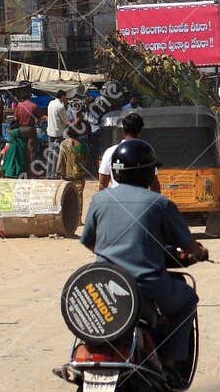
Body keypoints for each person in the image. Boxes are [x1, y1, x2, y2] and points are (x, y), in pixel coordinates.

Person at [79, 139, 207, 375]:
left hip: (103, 286)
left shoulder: (99, 199)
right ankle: (171, 363)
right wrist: (199, 252)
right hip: (149, 287)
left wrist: (111, 253)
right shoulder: (160, 203)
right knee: (188, 300)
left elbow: (87, 240)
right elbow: (189, 245)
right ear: (147, 173)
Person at [97, 111, 145, 189]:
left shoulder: (110, 152)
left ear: (123, 130)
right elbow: (155, 186)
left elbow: (102, 185)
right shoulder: (146, 152)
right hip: (141, 196)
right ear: (140, 131)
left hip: (116, 196)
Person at [46, 90, 69, 173]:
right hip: (58, 133)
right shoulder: (60, 106)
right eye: (65, 96)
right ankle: (54, 173)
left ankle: (48, 173)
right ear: (62, 96)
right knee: (56, 154)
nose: (66, 98)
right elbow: (66, 121)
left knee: (50, 153)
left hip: (50, 131)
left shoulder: (51, 103)